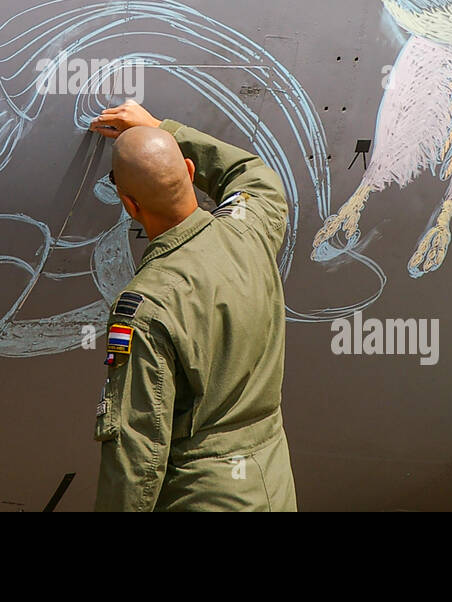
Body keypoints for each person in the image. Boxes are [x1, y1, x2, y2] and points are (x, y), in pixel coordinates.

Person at [88, 101, 297, 511]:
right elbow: (252, 175)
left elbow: (136, 452)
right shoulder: (249, 230)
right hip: (271, 485)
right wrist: (164, 128)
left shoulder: (146, 307)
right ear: (188, 171)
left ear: (130, 205)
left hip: (204, 497)